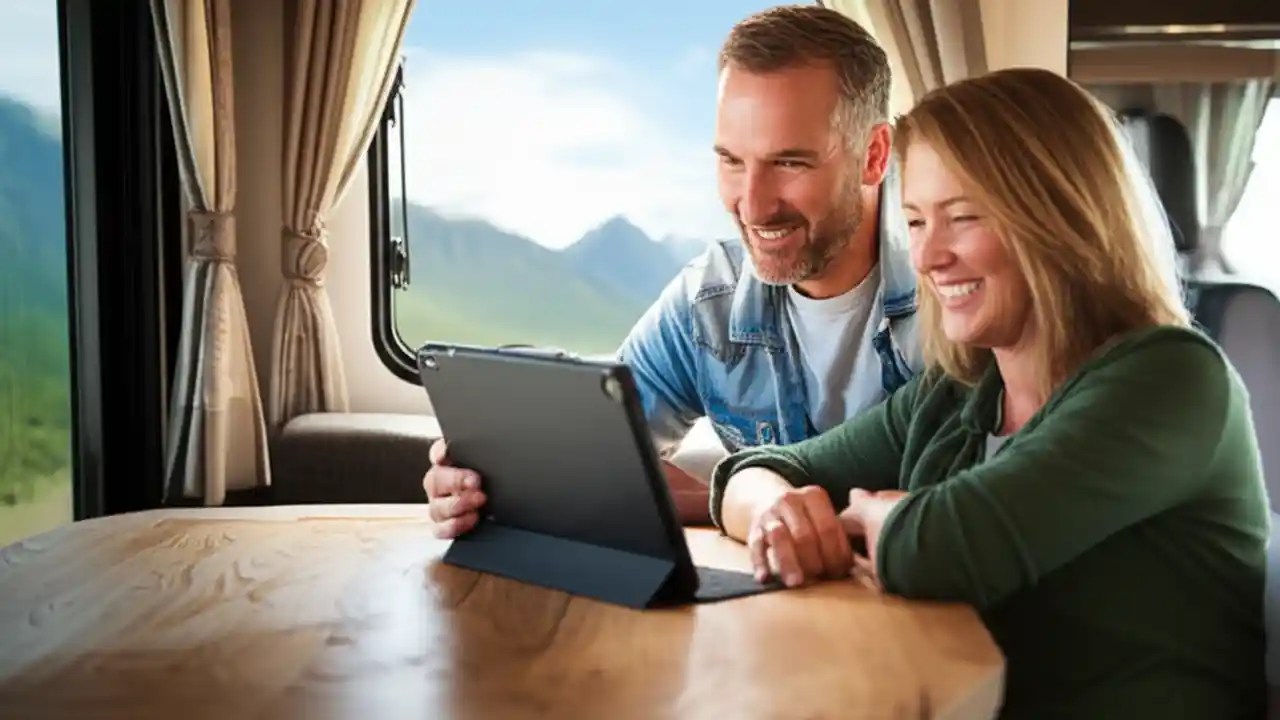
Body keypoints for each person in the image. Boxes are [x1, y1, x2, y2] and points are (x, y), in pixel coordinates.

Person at [712, 67, 1269, 718]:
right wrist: (783, 511)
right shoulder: (955, 393)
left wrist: (878, 520)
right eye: (916, 222)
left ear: (1060, 220)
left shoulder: (1174, 380)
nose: (927, 257)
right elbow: (749, 476)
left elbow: (943, 549)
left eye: (962, 217)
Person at [424, 5, 923, 534]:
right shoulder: (709, 305)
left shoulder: (951, 290)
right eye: (732, 161)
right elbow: (602, 453)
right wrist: (487, 477)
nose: (751, 206)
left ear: (873, 155)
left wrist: (749, 502)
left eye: (789, 163)